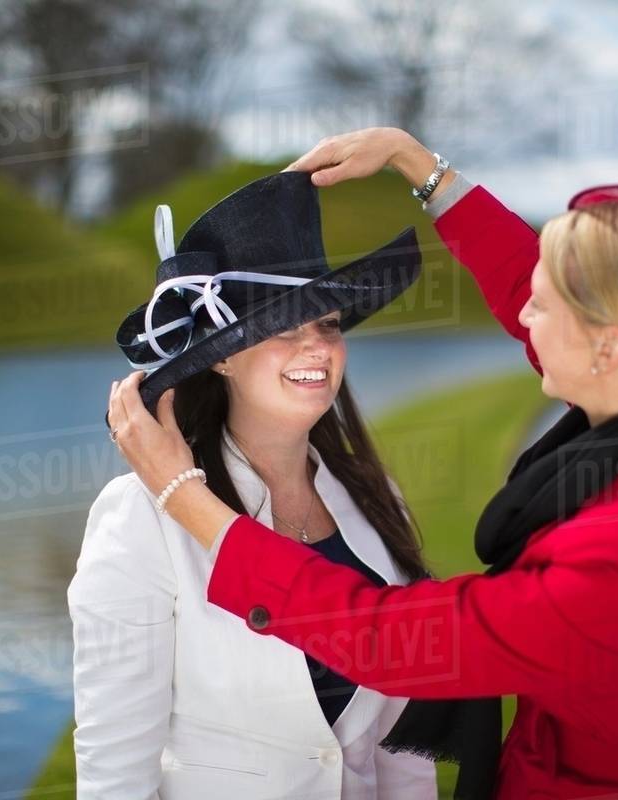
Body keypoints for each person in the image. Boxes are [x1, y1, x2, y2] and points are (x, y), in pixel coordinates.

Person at [106, 128, 618, 799]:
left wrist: (182, 492)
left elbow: (386, 639)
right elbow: (525, 276)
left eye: (542, 307)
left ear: (609, 347)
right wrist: (415, 161)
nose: (520, 320)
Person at [70, 169, 438, 799]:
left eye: (327, 325)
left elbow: (401, 749)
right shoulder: (140, 518)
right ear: (220, 354)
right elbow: (114, 768)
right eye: (284, 329)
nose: (316, 349)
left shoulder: (375, 501)